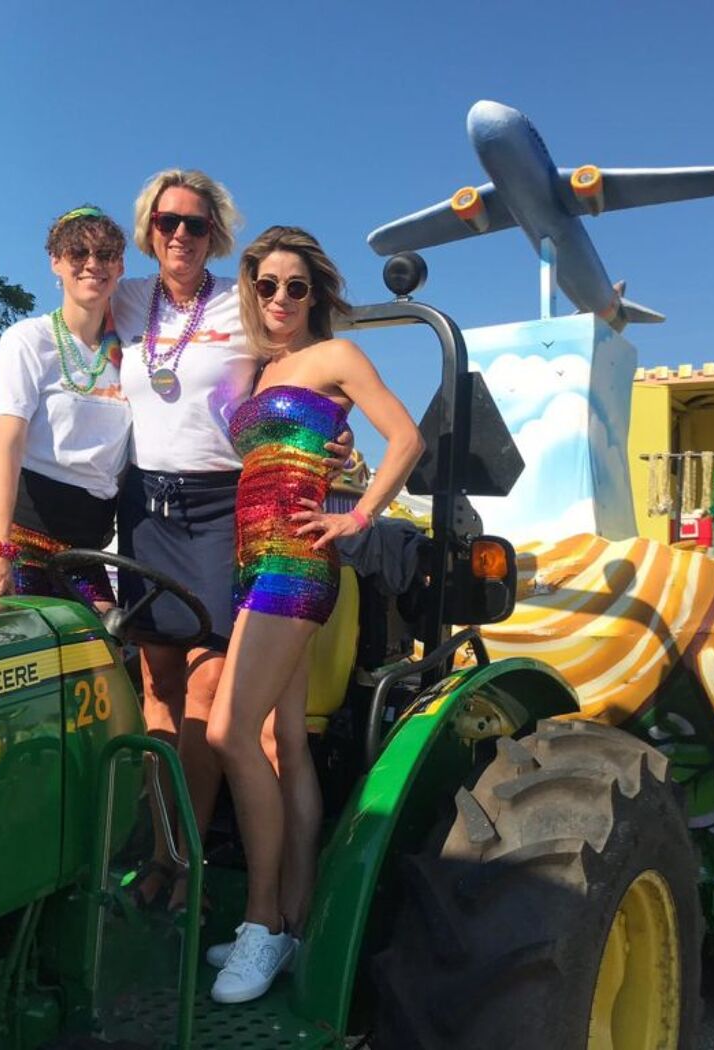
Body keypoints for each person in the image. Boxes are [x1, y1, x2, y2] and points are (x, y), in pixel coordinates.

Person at [110, 172, 353, 911]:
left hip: (225, 505)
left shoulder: (244, 303)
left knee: (212, 688)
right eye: (164, 222)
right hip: (146, 505)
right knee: (156, 690)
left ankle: (195, 865)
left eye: (193, 223)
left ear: (216, 233)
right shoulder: (124, 301)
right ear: (148, 230)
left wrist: (334, 440)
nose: (177, 235)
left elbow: (310, 367)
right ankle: (163, 852)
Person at [205, 227, 424, 1003]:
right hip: (251, 561)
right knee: (282, 741)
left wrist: (359, 513)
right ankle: (294, 921)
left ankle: (260, 923)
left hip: (296, 563)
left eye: (296, 287)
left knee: (228, 732)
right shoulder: (260, 370)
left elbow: (406, 436)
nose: (280, 299)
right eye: (267, 285)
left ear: (318, 295)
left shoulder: (335, 358)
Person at [0, 206, 130, 600]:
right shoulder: (27, 340)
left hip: (83, 546)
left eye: (105, 256)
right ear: (56, 262)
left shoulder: (131, 356)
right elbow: (6, 449)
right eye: (77, 254)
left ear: (119, 267)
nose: (92, 265)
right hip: (17, 533)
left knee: (101, 649)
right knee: (10, 650)